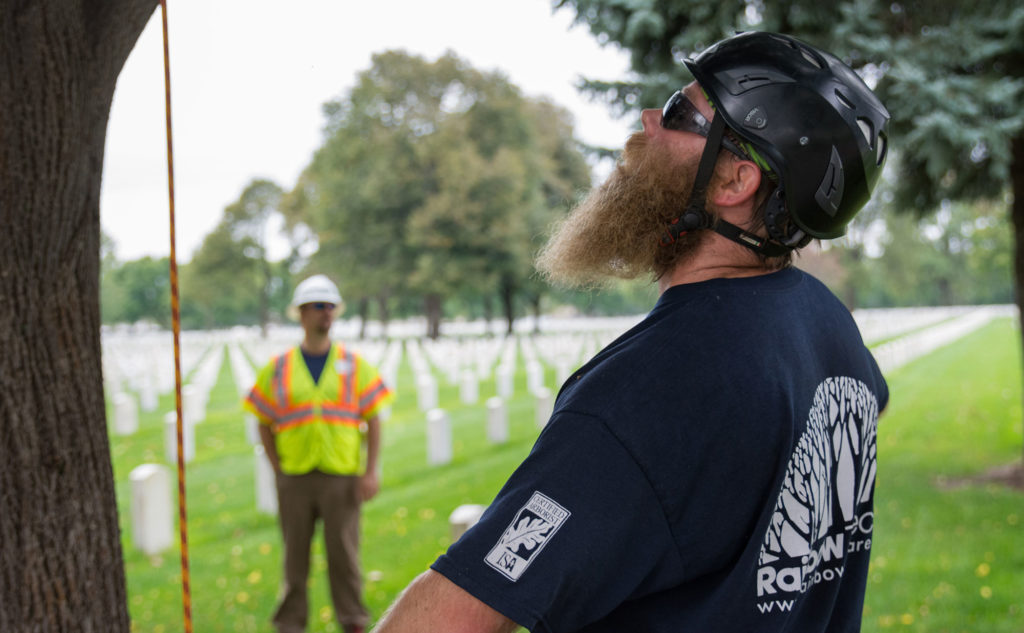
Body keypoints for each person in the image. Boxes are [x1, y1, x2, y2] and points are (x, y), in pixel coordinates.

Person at [373, 31, 890, 633]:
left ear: (733, 182)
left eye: (678, 113)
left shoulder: (654, 387)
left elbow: (455, 615)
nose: (647, 119)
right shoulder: (826, 321)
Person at [244, 274, 393, 633]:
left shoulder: (354, 365)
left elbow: (373, 419)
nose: (325, 314)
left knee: (345, 558)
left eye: (329, 307)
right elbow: (263, 419)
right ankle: (290, 625)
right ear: (300, 314)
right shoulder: (278, 368)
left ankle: (353, 622)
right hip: (294, 476)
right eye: (317, 307)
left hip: (341, 477)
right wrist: (278, 467)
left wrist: (370, 471)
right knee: (294, 559)